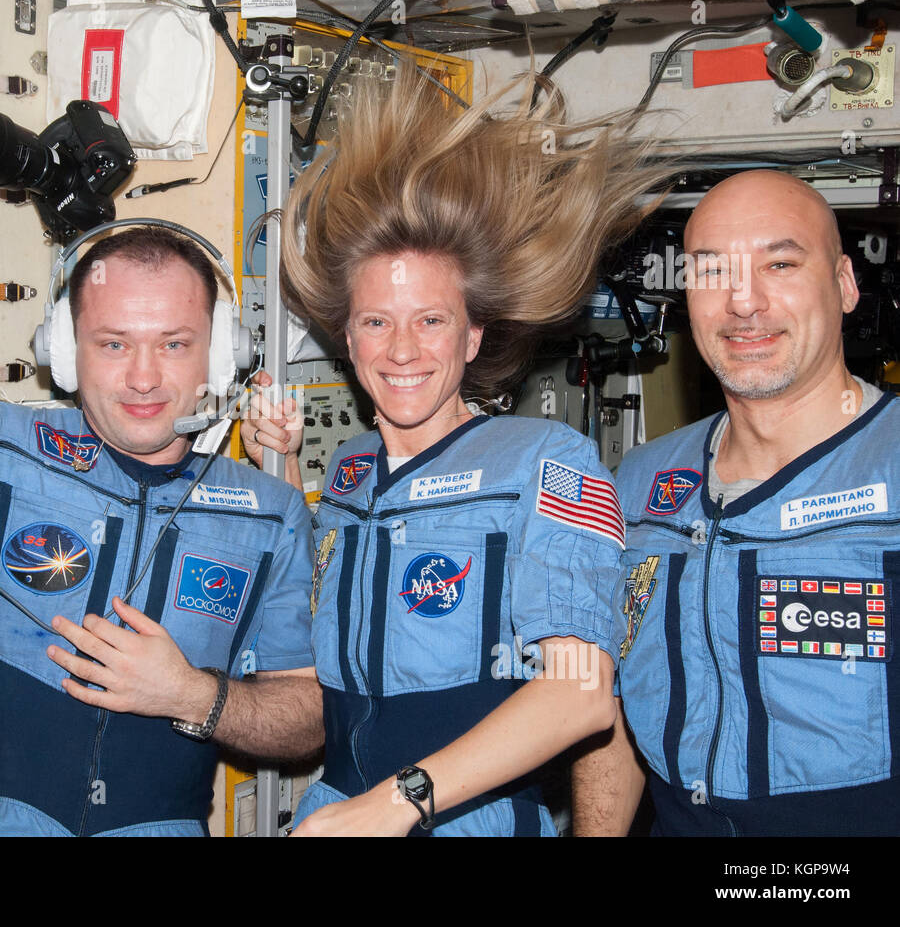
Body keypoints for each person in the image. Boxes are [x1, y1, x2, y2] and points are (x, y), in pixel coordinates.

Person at [240, 74, 668, 835]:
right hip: (334, 811)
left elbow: (581, 693)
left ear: (472, 337)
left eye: (431, 319)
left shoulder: (544, 460)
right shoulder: (347, 475)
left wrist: (396, 802)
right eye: (376, 321)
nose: (402, 349)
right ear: (347, 339)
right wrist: (276, 468)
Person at [0, 225, 321, 836]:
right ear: (64, 352)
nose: (143, 379)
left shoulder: (270, 511)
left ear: (221, 356)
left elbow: (308, 719)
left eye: (174, 344)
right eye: (113, 344)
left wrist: (191, 696)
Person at [572, 169, 899, 836]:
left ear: (843, 283)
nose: (744, 302)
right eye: (713, 270)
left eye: (779, 263)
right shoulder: (641, 484)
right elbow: (613, 704)